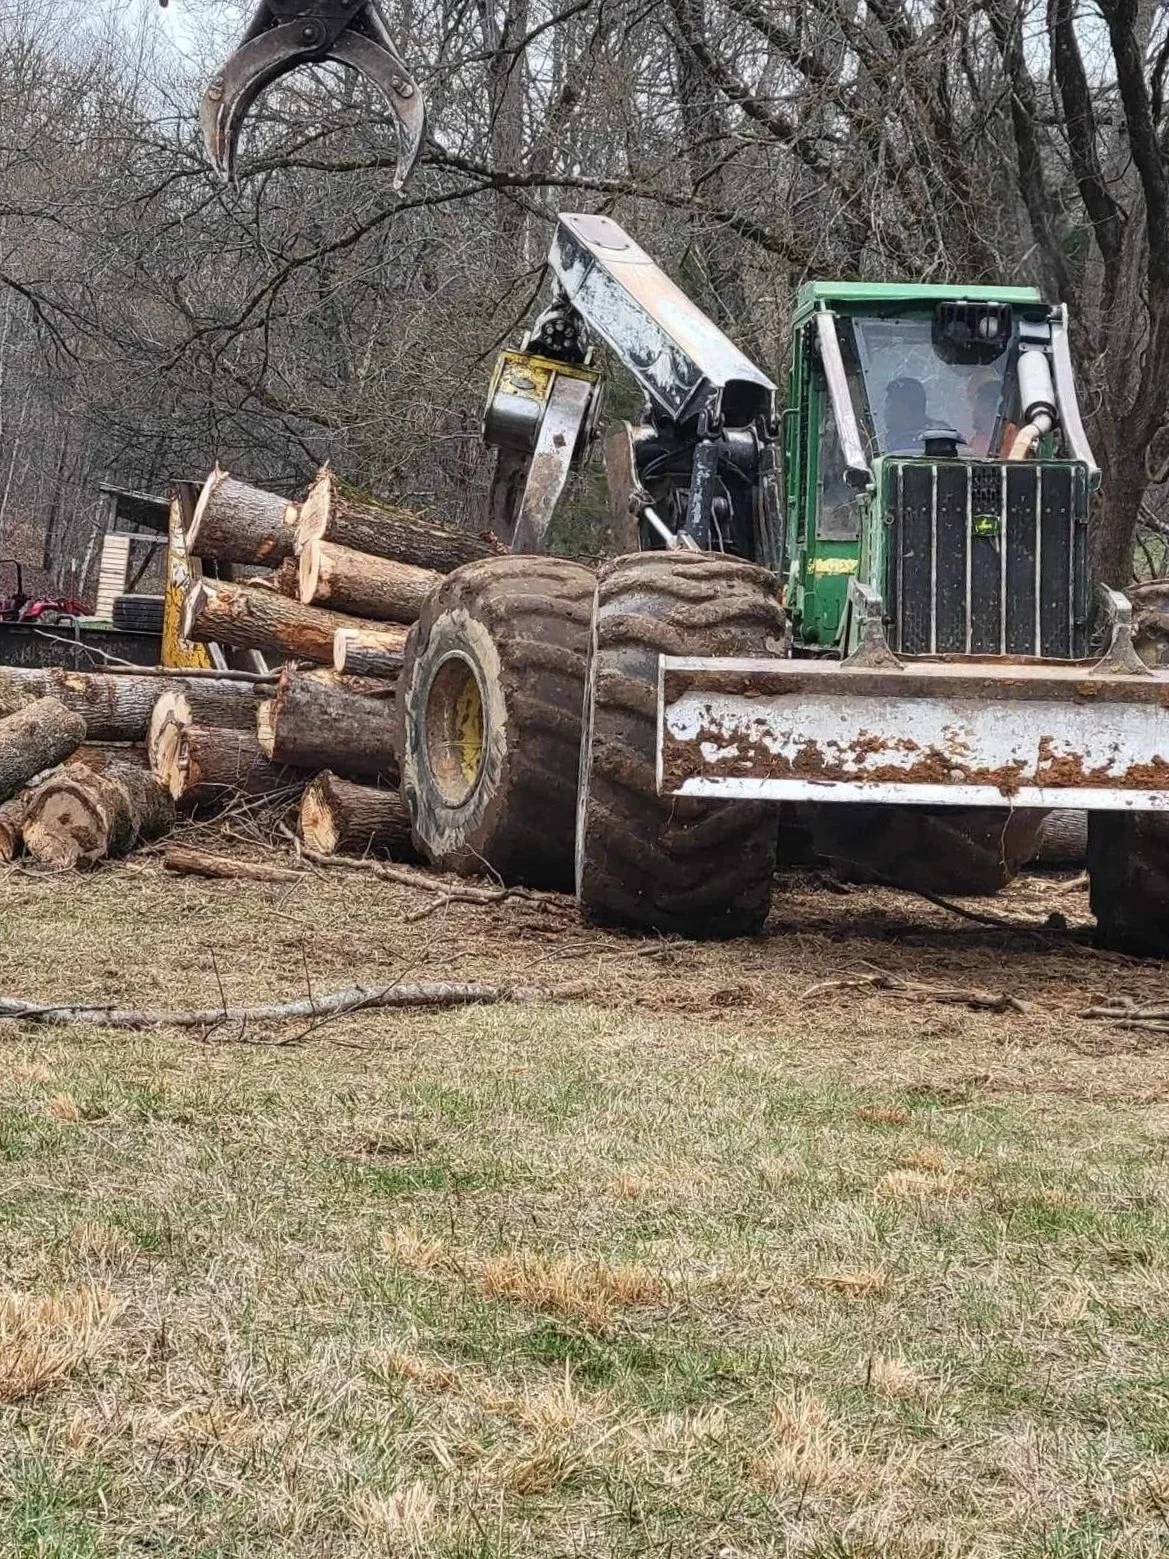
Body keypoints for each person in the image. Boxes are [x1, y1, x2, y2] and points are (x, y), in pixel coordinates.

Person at [883, 376, 928, 452]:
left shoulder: (936, 436)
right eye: (887, 402)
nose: (887, 409)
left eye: (891, 403)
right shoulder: (889, 438)